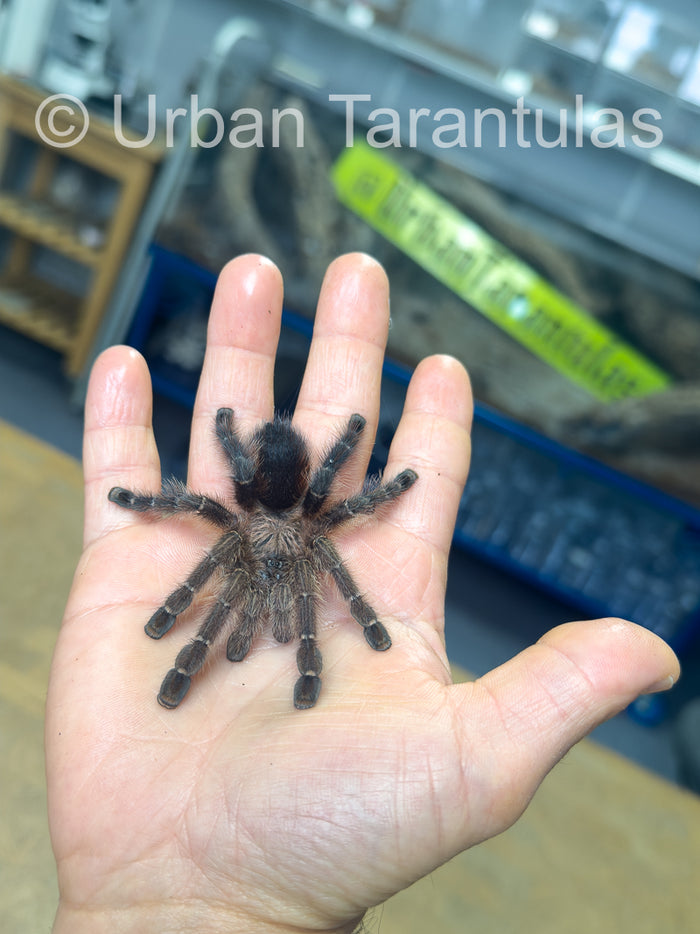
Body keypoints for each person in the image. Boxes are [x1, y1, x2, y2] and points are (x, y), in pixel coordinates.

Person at [45, 253, 679, 933]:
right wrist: (219, 447)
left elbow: (342, 516)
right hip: (263, 511)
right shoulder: (245, 523)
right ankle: (185, 660)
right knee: (224, 580)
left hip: (289, 508)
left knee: (293, 571)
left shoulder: (315, 521)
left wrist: (381, 478)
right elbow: (200, 506)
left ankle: (279, 667)